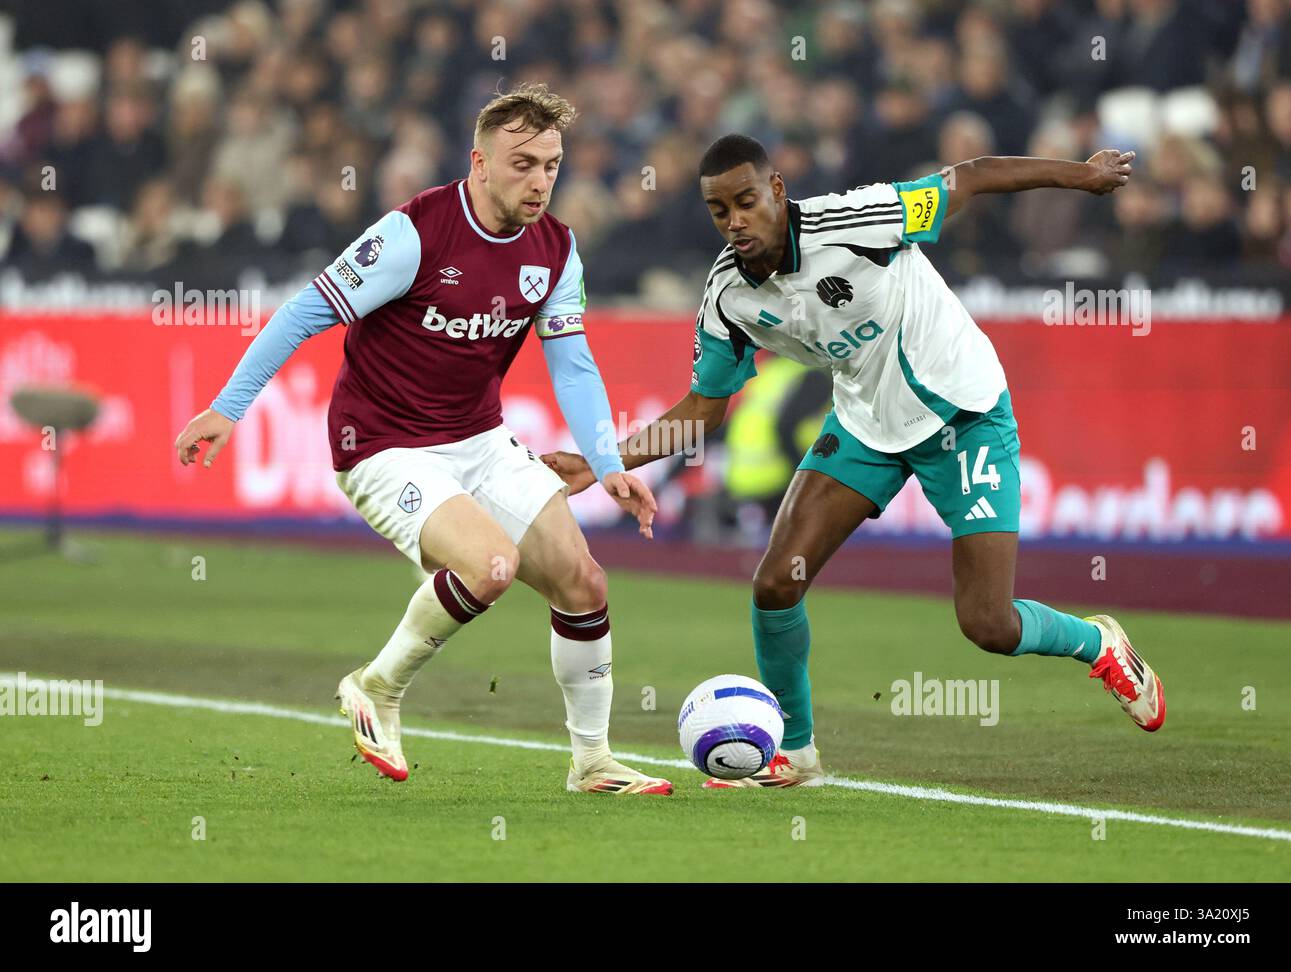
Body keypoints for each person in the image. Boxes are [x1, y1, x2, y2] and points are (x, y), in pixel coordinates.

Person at [545, 134, 1164, 789]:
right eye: (719, 210)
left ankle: (1096, 643)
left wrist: (1084, 176)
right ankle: (799, 755)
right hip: (866, 425)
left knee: (989, 623)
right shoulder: (728, 297)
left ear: (778, 191)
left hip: (965, 414)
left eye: (747, 201)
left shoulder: (863, 218)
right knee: (775, 584)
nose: (735, 221)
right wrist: (603, 459)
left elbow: (975, 176)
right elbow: (703, 410)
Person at [174, 84, 672, 796]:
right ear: (479, 162)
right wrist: (227, 407)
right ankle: (376, 687)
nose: (539, 181)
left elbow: (574, 362)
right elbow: (303, 312)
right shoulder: (415, 233)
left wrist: (607, 462)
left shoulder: (556, 250)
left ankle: (591, 761)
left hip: (480, 439)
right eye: (523, 163)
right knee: (491, 566)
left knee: (583, 581)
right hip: (381, 442)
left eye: (552, 165)